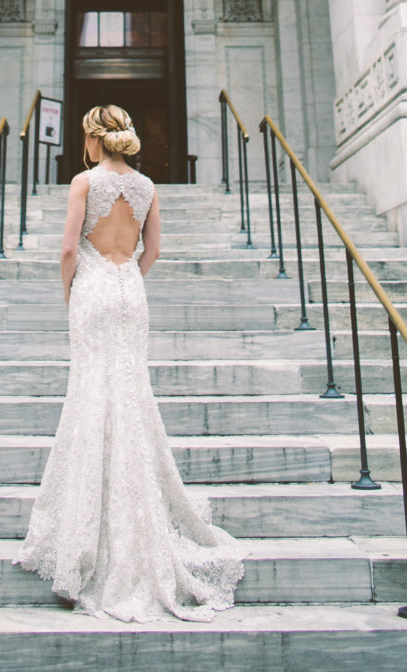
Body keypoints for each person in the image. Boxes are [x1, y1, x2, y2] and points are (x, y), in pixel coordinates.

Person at [14, 103, 244, 621]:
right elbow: (153, 250)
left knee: (92, 393)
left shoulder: (83, 182)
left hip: (93, 290)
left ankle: (84, 536)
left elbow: (69, 249)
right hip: (129, 290)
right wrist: (127, 278)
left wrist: (70, 292)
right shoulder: (146, 187)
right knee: (130, 394)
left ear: (93, 139)